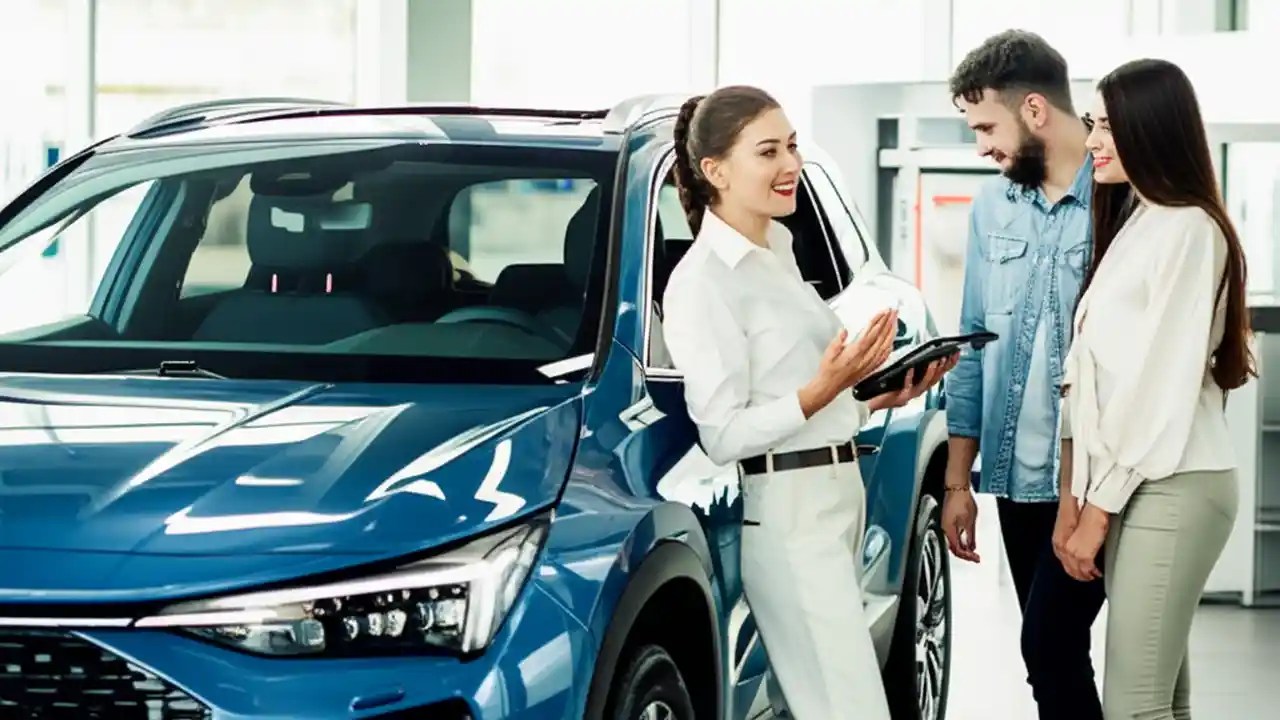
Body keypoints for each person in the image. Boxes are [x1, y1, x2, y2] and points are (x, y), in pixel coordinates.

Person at [660, 85, 955, 719]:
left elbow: (801, 396)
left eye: (791, 145)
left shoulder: (780, 250)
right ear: (715, 171)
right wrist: (824, 386)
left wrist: (872, 400)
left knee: (810, 705)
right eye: (768, 151)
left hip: (834, 500)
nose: (790, 164)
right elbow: (722, 435)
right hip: (791, 523)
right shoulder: (701, 283)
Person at [1060, 57, 1252, 719]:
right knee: (1161, 700)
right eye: (1092, 123)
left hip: (1172, 481)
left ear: (1153, 127)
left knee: (1135, 705)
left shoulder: (1191, 232)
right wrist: (1079, 496)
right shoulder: (1140, 222)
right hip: (1143, 483)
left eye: (1108, 125)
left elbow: (1157, 394)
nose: (1092, 140)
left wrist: (1096, 511)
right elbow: (1092, 385)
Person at [942, 29, 1107, 719]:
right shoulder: (991, 209)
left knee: (1049, 645)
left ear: (1034, 109)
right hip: (1018, 480)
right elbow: (974, 348)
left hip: (1102, 480)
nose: (981, 146)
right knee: (1055, 660)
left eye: (986, 125)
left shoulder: (1119, 198)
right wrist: (959, 481)